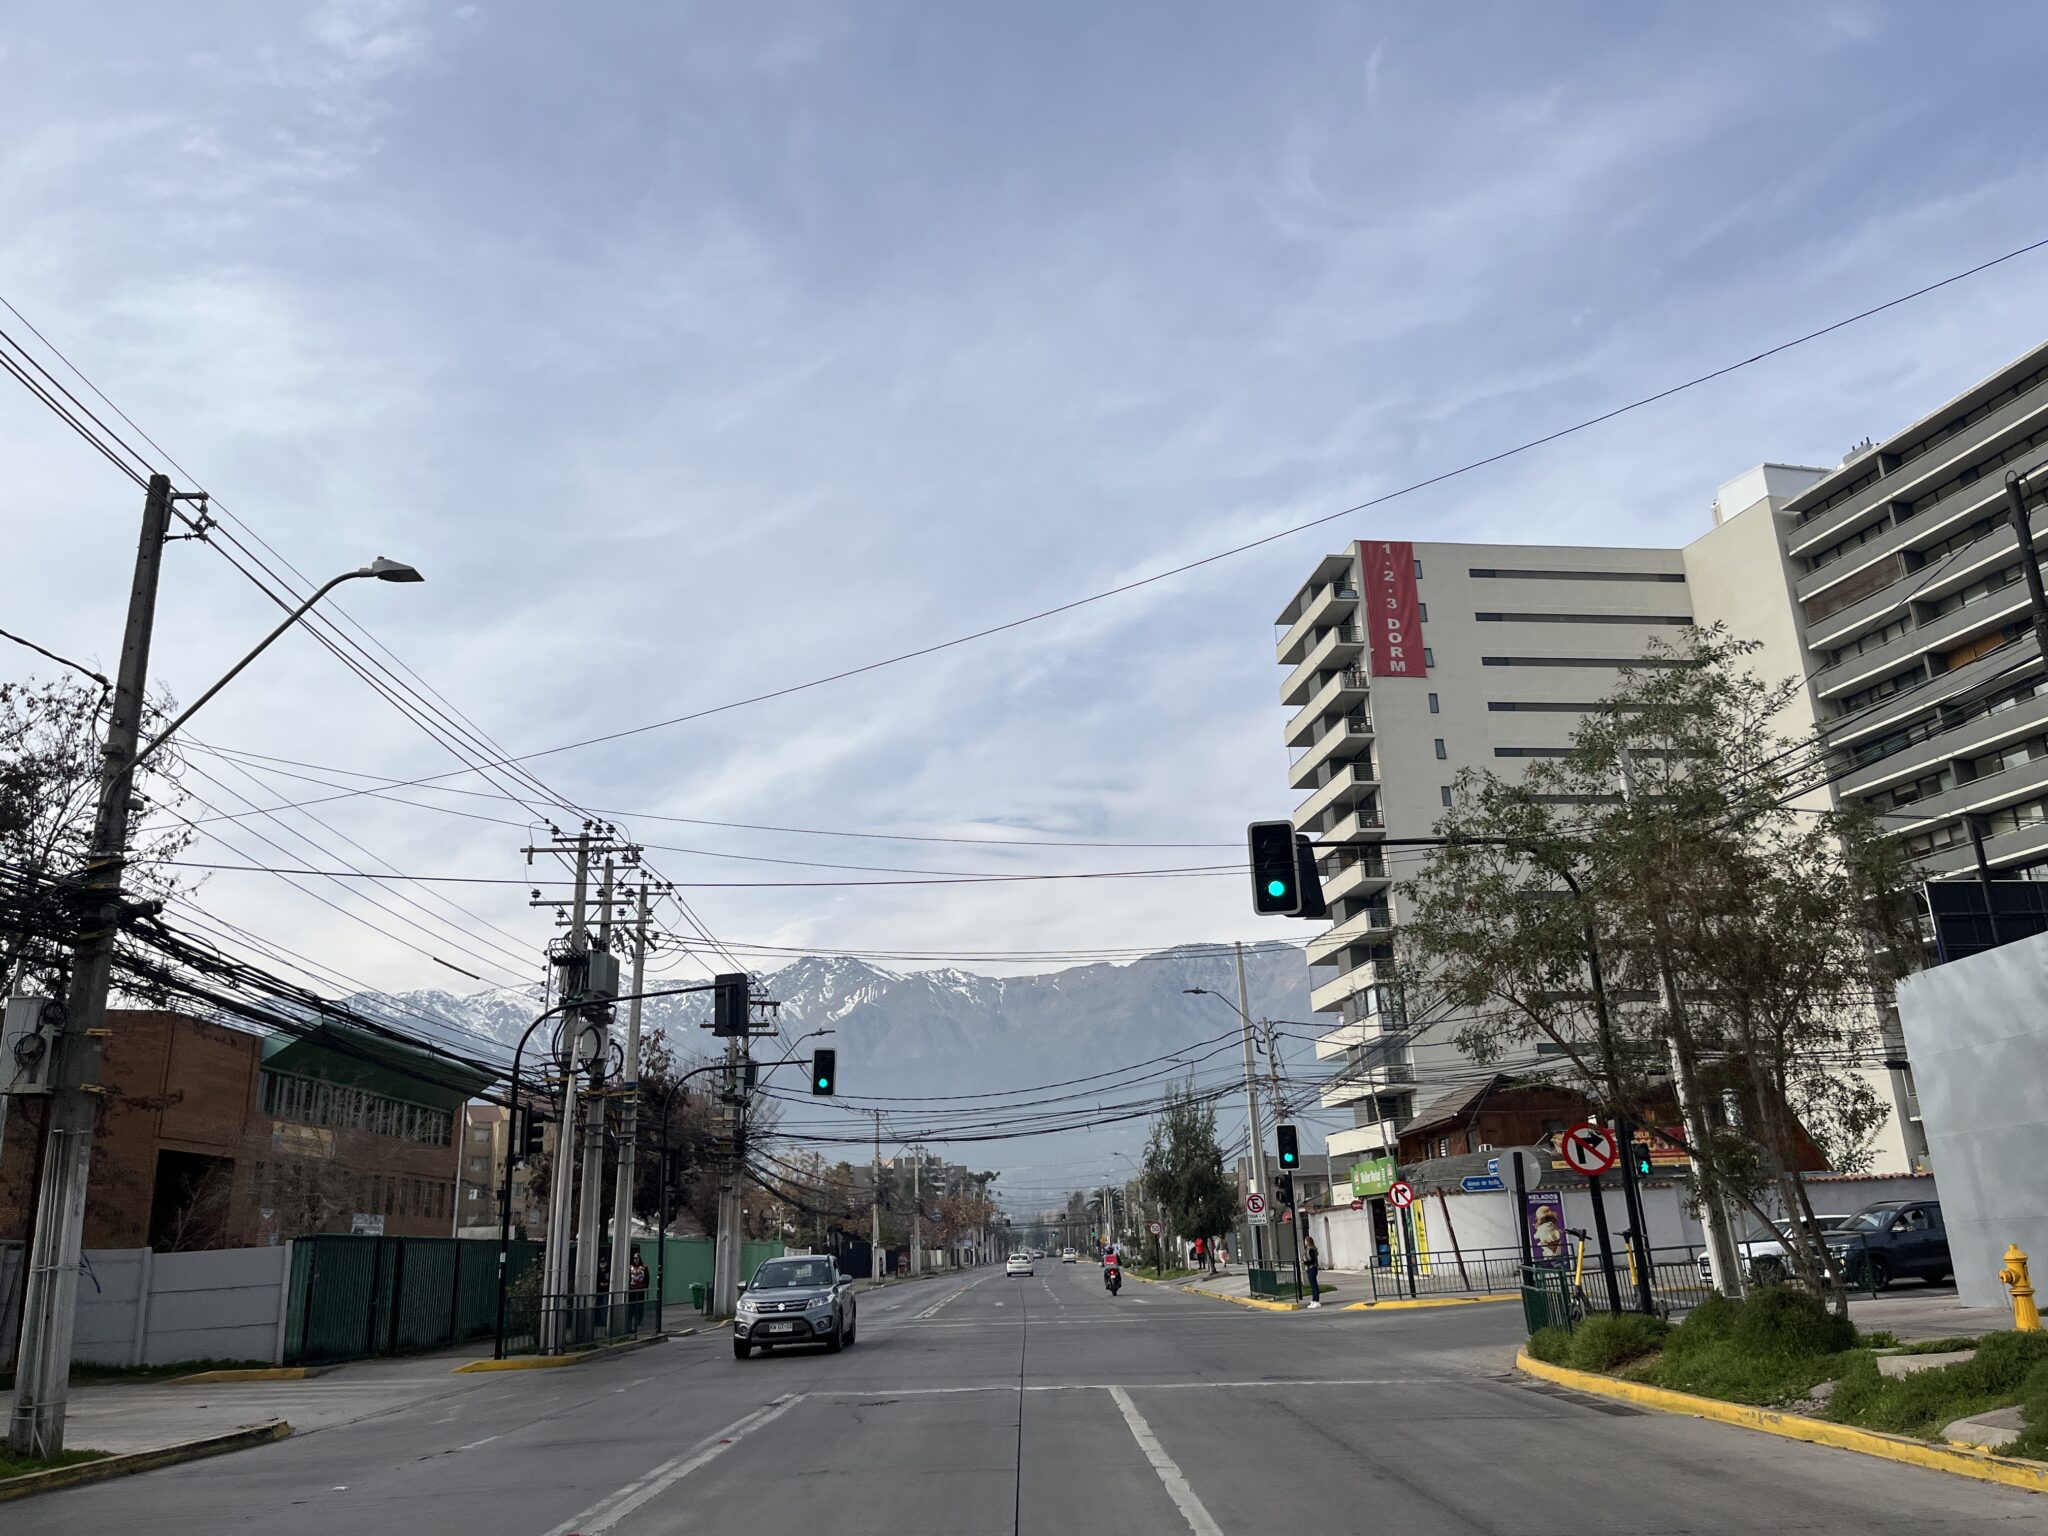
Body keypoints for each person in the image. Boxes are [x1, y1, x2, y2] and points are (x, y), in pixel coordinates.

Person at [628, 1246, 650, 1332]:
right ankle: (630, 1320)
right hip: (632, 1289)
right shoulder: (630, 1267)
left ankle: (639, 1320)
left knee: (640, 1305)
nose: (635, 1260)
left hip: (640, 1289)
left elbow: (647, 1278)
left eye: (636, 1258)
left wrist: (645, 1286)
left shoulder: (644, 1267)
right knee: (631, 1305)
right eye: (634, 1258)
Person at [1303, 1233, 1322, 1308]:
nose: (1304, 1242)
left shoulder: (1311, 1250)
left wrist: (1304, 1262)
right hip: (1310, 1269)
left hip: (1311, 1268)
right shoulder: (1308, 1249)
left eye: (1305, 1241)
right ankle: (1314, 1300)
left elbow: (1312, 1260)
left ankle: (1316, 1301)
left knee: (1314, 1285)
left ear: (1308, 1242)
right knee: (1313, 1285)